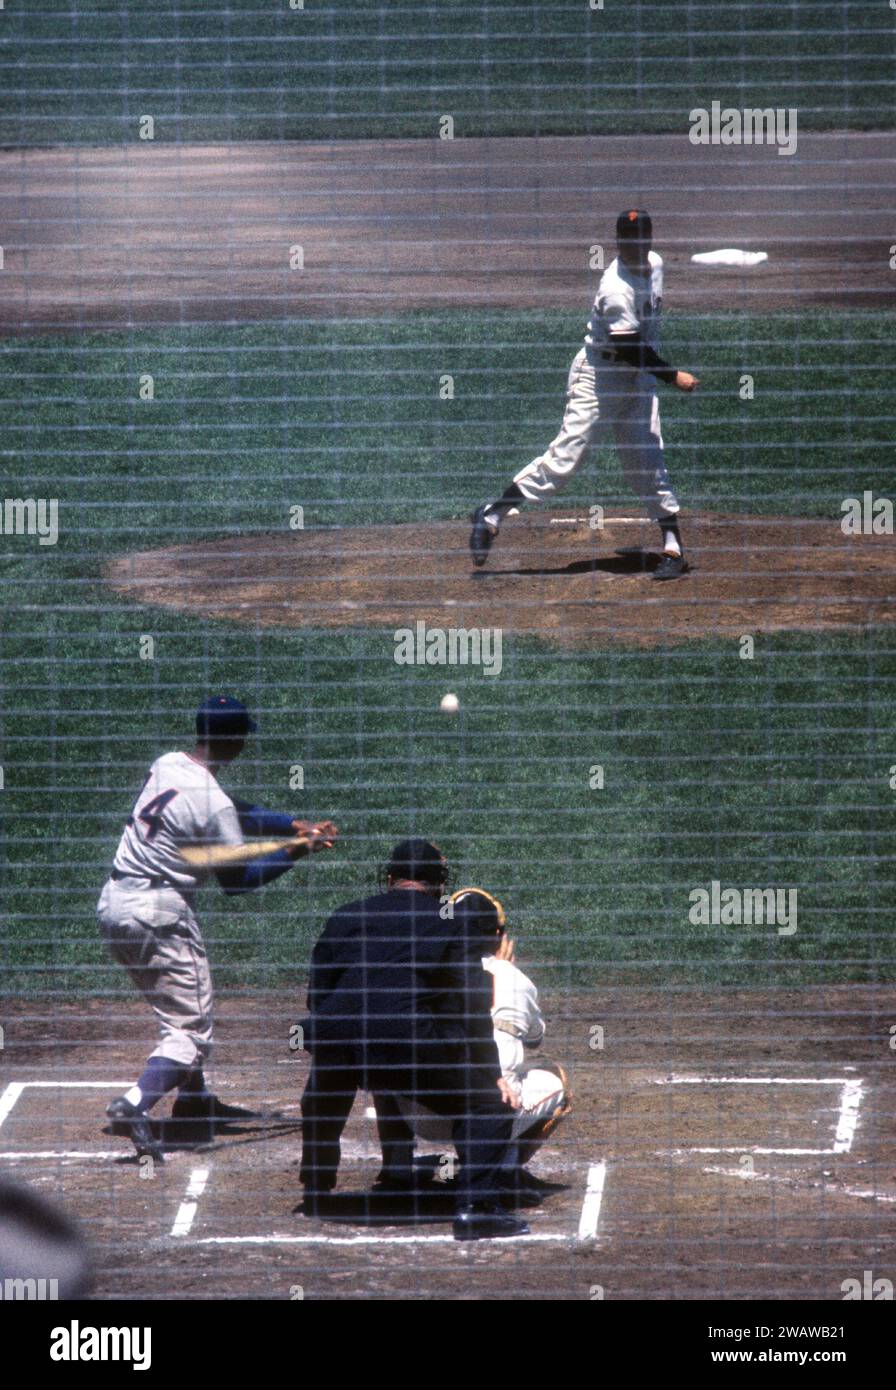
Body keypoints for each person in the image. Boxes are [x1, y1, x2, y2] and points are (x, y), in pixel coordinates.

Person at [97, 694, 338, 1162]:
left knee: (175, 1005)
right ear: (232, 739)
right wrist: (301, 849)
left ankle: (195, 1100)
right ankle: (133, 1105)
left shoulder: (168, 764)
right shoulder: (214, 806)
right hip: (158, 915)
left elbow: (232, 808)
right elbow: (239, 881)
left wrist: (291, 824)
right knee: (191, 1029)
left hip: (115, 904)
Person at [299, 838, 529, 1240]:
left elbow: (319, 991)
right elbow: (471, 1006)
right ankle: (478, 1208)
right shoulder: (450, 921)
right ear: (439, 883)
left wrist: (332, 1036)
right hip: (404, 1035)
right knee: (488, 1104)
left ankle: (317, 1184)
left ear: (390, 879)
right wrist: (489, 1074)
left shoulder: (345, 914)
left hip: (331, 1030)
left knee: (327, 1080)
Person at [470, 208, 699, 580]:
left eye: (642, 237)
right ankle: (492, 515)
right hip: (600, 377)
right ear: (619, 242)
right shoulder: (614, 288)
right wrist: (675, 376)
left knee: (647, 461)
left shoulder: (656, 264)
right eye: (628, 239)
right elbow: (630, 349)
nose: (636, 244)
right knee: (565, 460)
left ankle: (672, 546)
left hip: (638, 381)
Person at [390, 888, 571, 1189]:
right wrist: (509, 975)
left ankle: (396, 1168)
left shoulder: (424, 970)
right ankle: (504, 1170)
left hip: (421, 1116)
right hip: (488, 1120)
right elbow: (536, 1038)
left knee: (386, 1061)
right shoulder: (517, 981)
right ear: (498, 935)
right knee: (555, 1081)